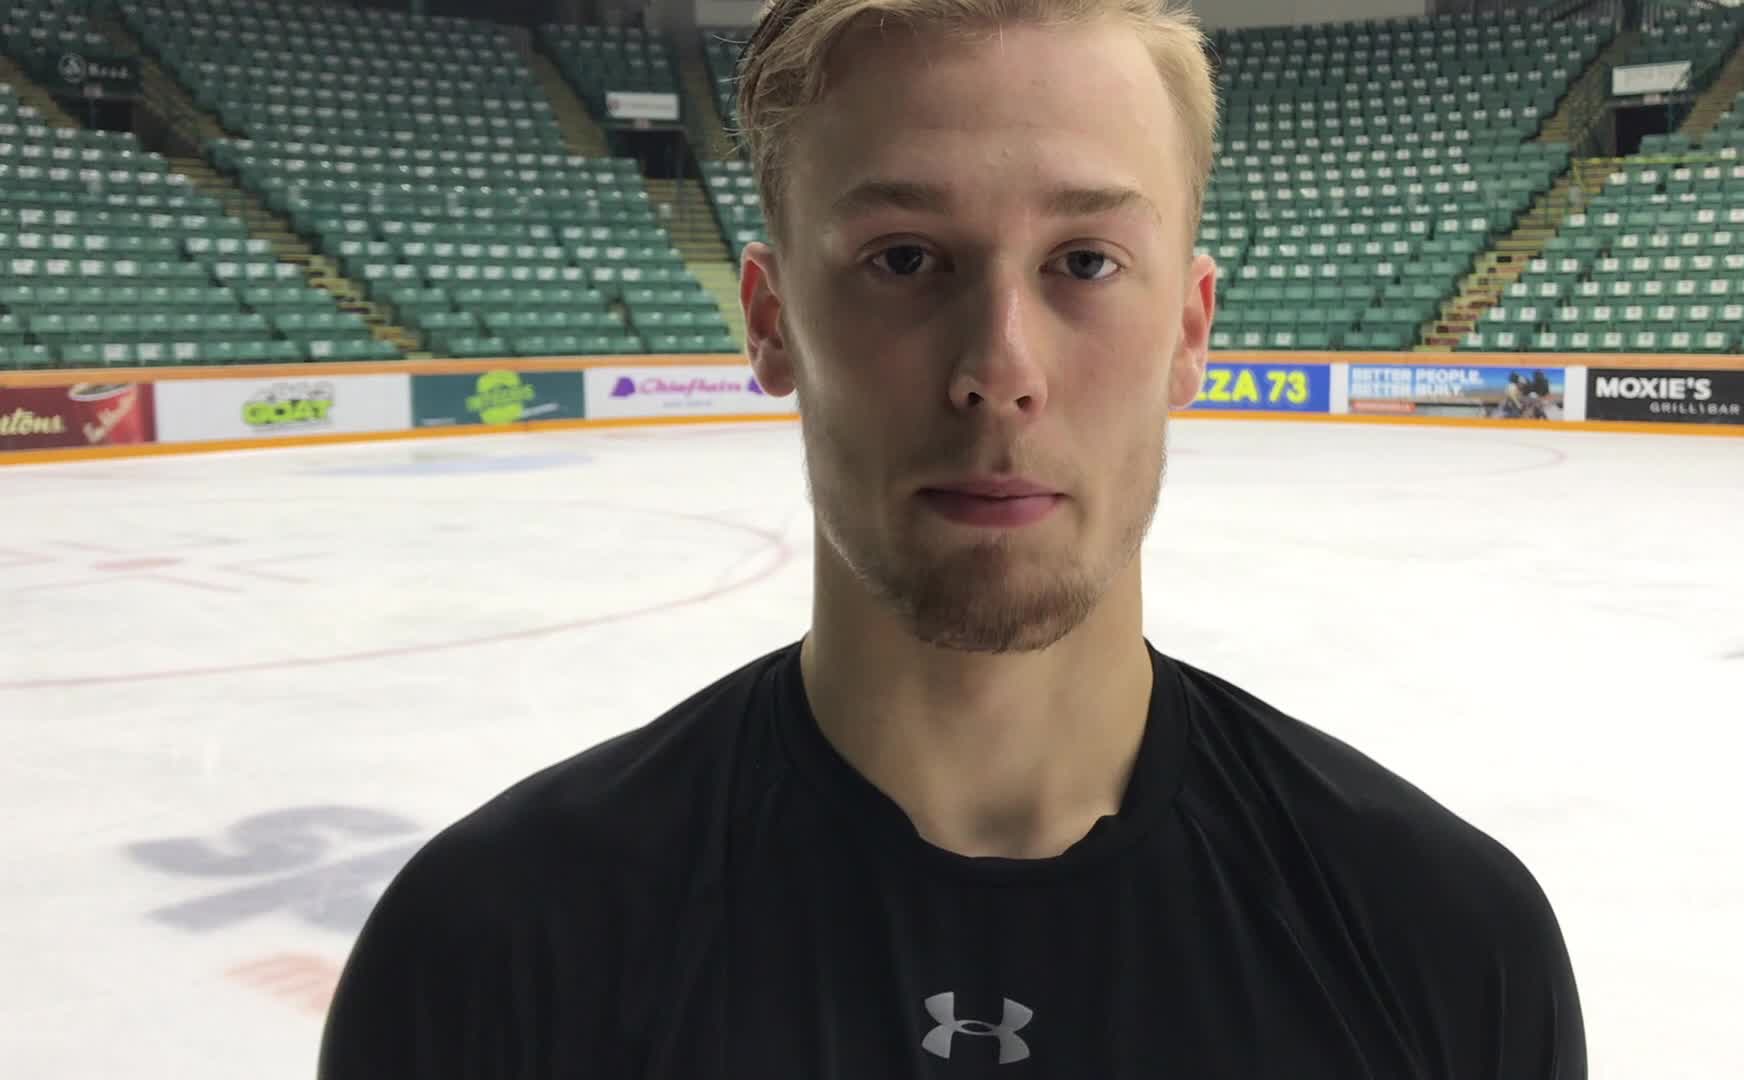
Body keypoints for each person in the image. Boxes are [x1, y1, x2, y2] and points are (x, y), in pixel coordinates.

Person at [318, 1, 1588, 1076]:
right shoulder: (492, 957)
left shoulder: (1440, 943)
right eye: (906, 257)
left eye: (1085, 261)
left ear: (1192, 330)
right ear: (769, 321)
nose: (1001, 371)